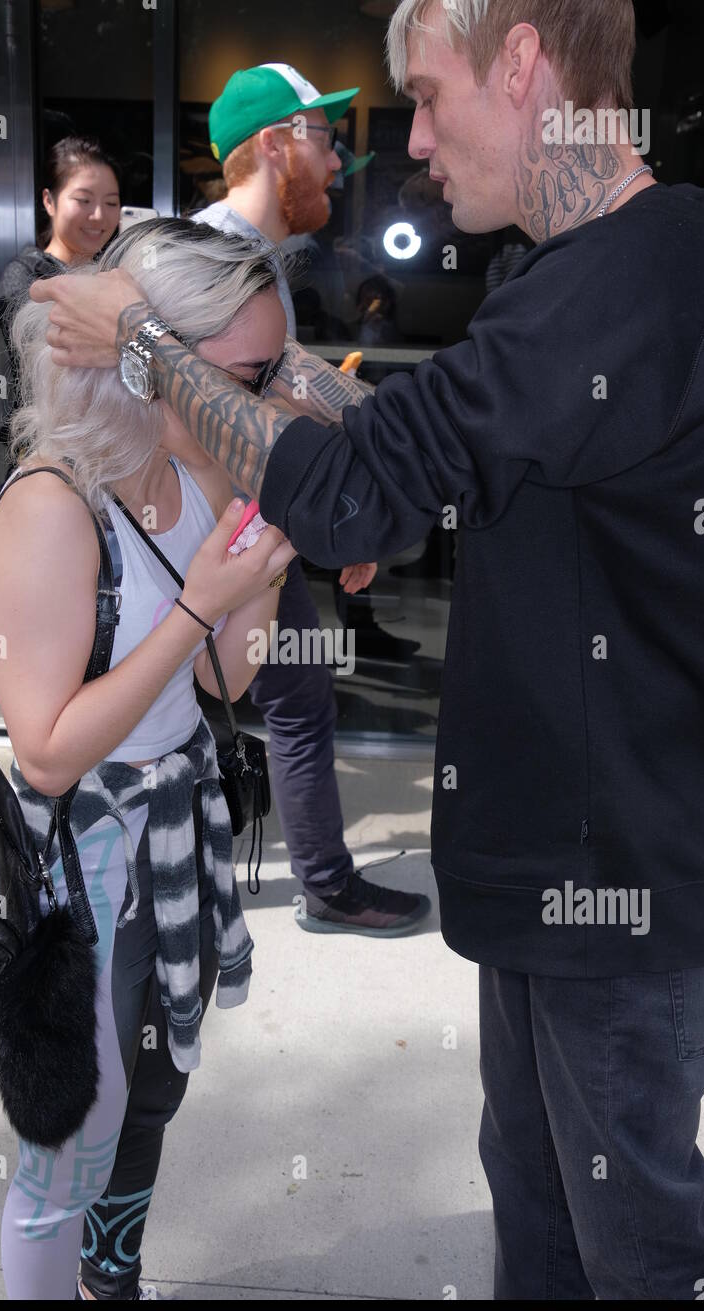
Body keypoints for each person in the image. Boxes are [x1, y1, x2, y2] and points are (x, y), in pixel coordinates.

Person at [32, 0, 704, 1301]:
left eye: (425, 93)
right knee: (538, 1216)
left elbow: (357, 498)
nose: (411, 138)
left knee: (634, 1252)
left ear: (520, 65)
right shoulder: (556, 270)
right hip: (551, 858)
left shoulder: (643, 271)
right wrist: (287, 380)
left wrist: (143, 348)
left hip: (621, 876)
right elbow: (450, 454)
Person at [0, 217, 295, 1301]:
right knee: (68, 1133)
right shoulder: (49, 505)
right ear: (151, 357)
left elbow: (224, 687)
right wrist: (204, 601)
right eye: (245, 375)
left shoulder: (187, 471)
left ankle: (110, 1278)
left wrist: (257, 576)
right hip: (80, 869)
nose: (256, 400)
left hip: (176, 835)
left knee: (152, 1089)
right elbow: (49, 752)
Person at [193, 63, 430, 937]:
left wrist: (358, 478)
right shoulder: (215, 257)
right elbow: (251, 414)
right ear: (272, 145)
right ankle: (299, 885)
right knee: (238, 702)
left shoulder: (247, 256)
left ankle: (315, 882)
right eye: (324, 138)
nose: (337, 163)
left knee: (292, 698)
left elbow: (291, 382)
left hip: (250, 531)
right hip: (213, 537)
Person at [0, 136, 121, 434]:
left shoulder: (115, 275)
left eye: (111, 202)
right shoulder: (25, 277)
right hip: (48, 451)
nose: (99, 215)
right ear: (49, 200)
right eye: (84, 200)